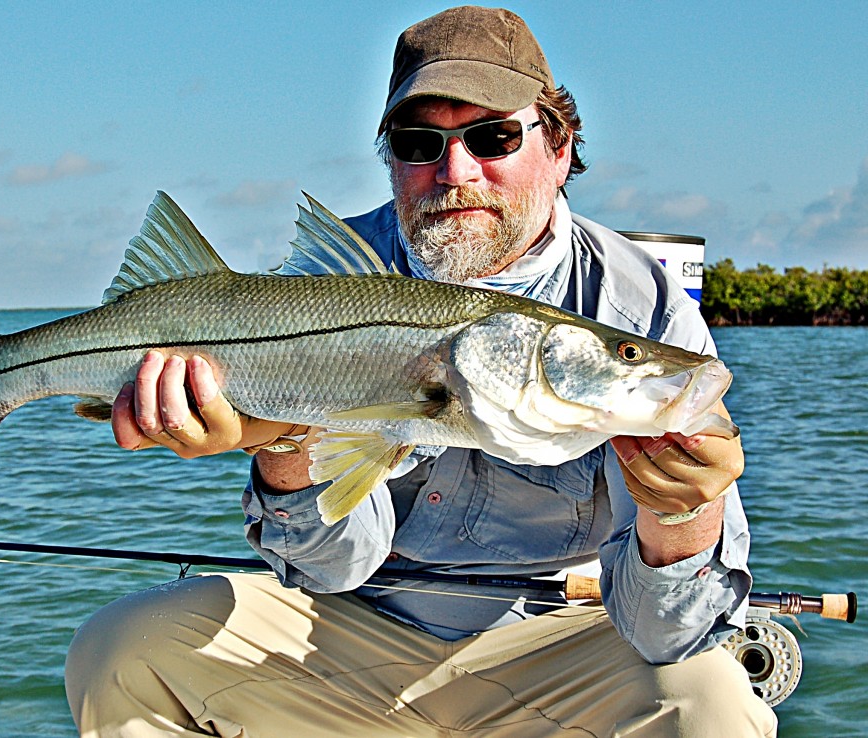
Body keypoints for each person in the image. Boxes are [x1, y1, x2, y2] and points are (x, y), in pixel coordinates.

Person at [65, 7, 777, 737]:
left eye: (494, 136)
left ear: (559, 149)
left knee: (713, 705)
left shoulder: (644, 309)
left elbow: (667, 636)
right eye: (418, 142)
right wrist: (283, 447)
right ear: (392, 160)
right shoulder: (336, 278)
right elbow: (326, 572)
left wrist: (683, 515)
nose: (455, 169)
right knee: (123, 653)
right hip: (346, 637)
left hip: (561, 645)